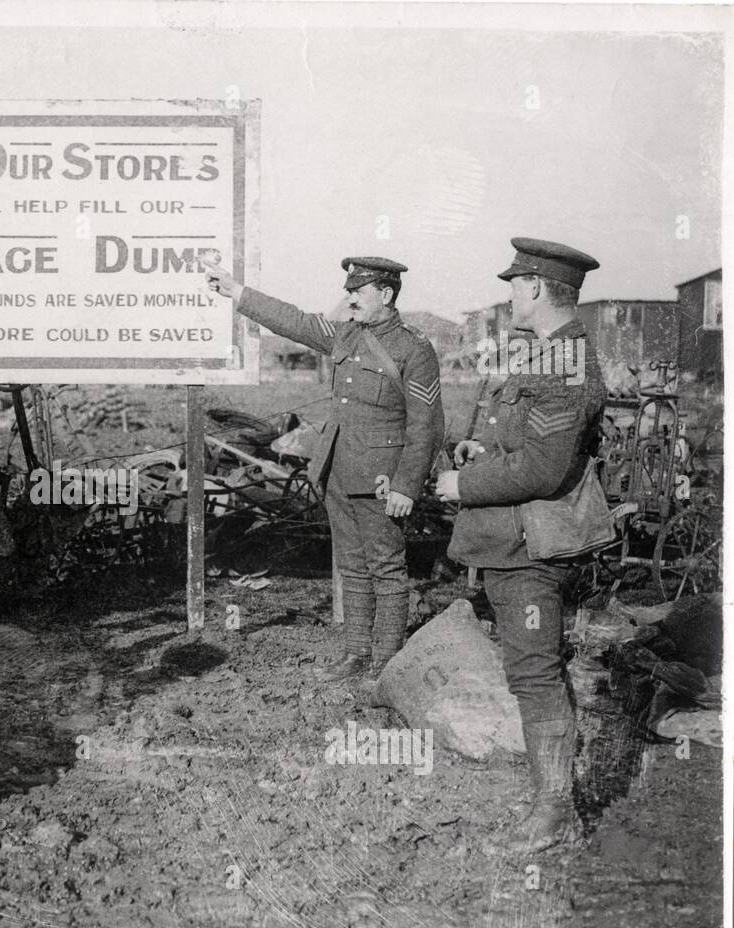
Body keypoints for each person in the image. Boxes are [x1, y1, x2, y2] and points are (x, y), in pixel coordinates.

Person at [435, 237, 607, 852]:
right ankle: (551, 800)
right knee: (530, 670)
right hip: (514, 538)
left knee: (535, 673)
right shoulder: (545, 355)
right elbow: (526, 444)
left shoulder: (565, 363)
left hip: (532, 547)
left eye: (514, 285)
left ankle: (554, 813)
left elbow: (543, 470)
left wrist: (464, 483)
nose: (510, 296)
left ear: (535, 288)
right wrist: (484, 451)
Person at [205, 256, 445, 679]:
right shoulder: (347, 334)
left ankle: (386, 660)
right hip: (338, 468)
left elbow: (427, 425)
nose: (349, 297)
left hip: (382, 479)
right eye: (348, 290)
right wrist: (237, 292)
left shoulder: (414, 348)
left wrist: (408, 485)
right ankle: (356, 654)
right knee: (351, 565)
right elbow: (293, 321)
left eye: (358, 291)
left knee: (386, 567)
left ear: (386, 295)